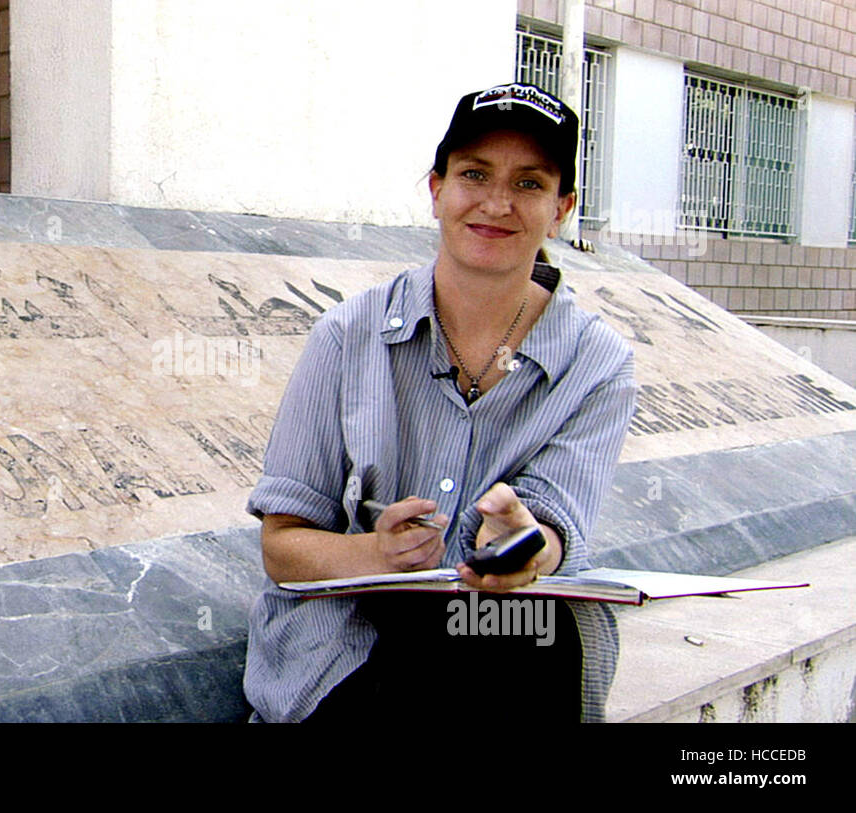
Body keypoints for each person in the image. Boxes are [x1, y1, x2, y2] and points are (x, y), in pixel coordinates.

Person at [243, 82, 638, 723]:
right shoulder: (347, 337)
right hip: (355, 634)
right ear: (437, 190)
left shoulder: (597, 363)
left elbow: (558, 525)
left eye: (529, 183)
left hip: (510, 638)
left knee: (519, 632)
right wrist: (372, 553)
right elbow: (283, 544)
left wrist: (524, 549)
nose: (496, 203)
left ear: (561, 209)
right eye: (474, 174)